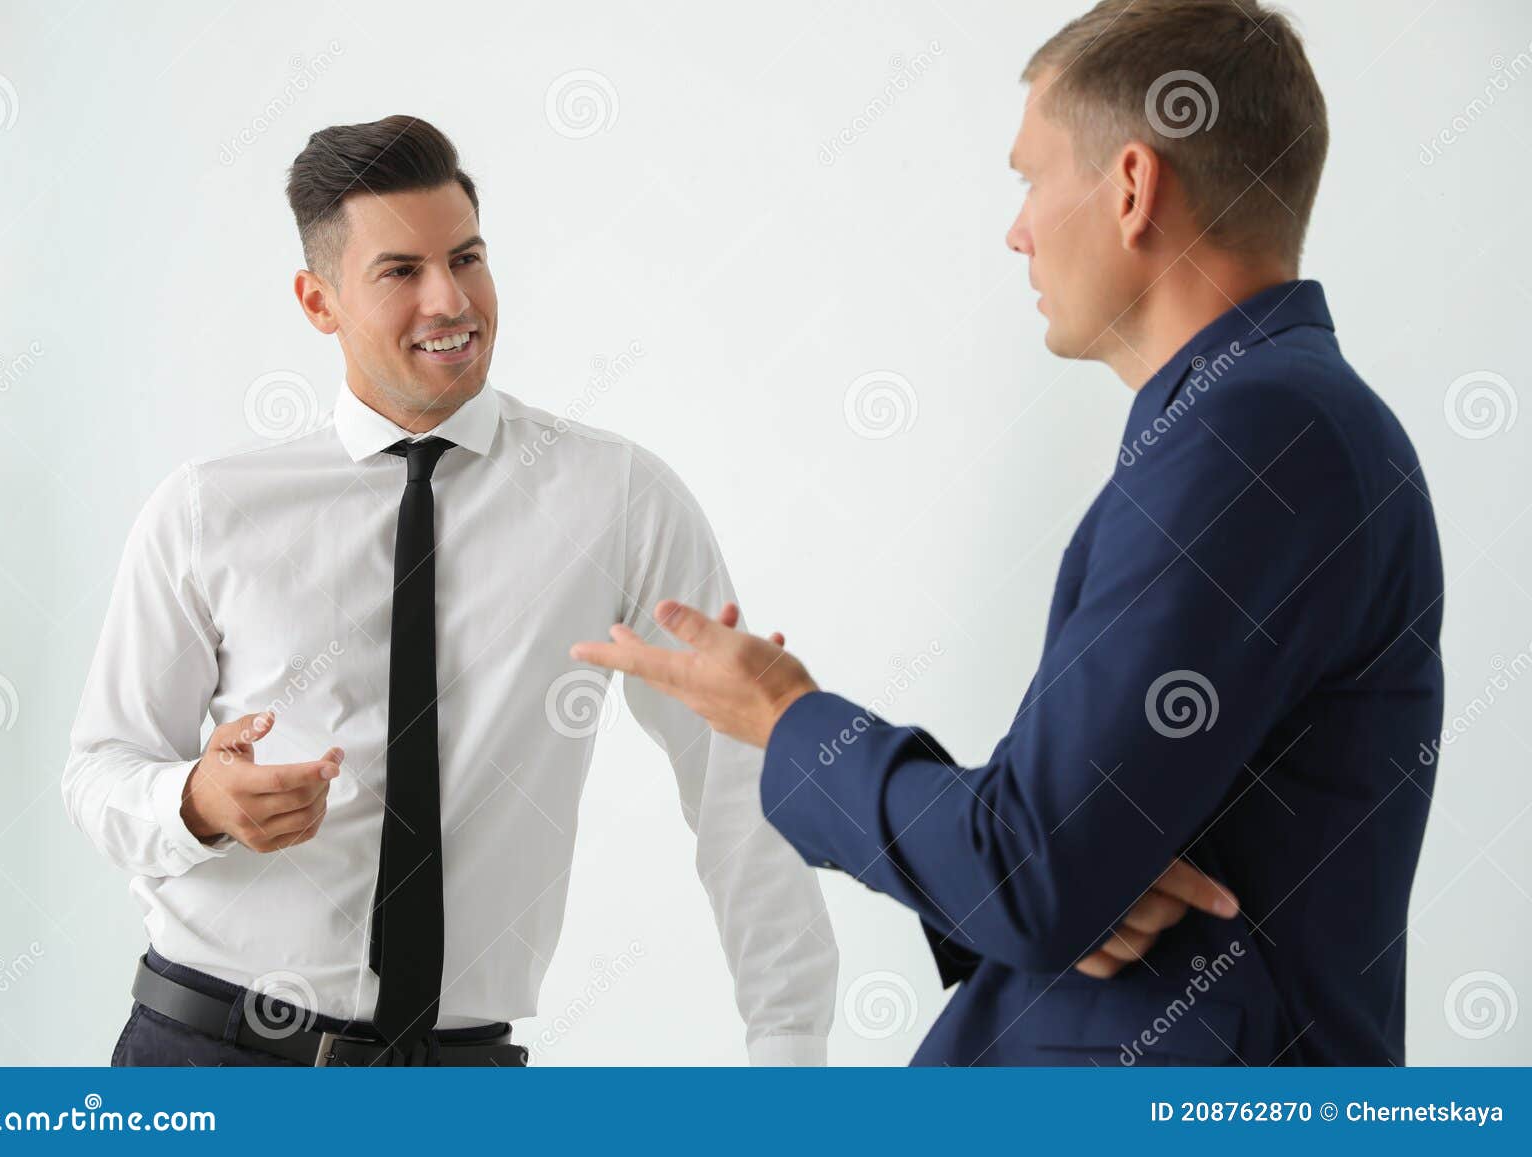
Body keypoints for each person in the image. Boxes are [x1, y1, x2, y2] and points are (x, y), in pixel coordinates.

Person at [572, 0, 1444, 1066]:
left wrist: (783, 716)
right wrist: (1073, 878)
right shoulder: (1262, 419)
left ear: (1132, 187)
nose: (1017, 228)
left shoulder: (1257, 434)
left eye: (1031, 178)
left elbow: (1026, 869)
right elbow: (1052, 867)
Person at [63, 115, 847, 1066]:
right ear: (320, 302)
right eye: (401, 272)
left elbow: (737, 779)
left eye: (466, 258)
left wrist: (792, 1047)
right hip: (207, 1054)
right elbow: (100, 770)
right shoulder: (208, 510)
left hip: (460, 1074)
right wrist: (195, 800)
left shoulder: (618, 499)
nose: (451, 300)